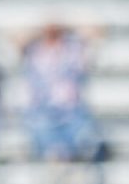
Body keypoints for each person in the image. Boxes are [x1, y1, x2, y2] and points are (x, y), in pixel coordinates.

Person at [19, 22, 102, 164]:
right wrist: (41, 28)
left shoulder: (73, 49)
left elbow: (97, 32)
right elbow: (15, 38)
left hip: (72, 114)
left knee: (88, 147)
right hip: (42, 115)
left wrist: (66, 24)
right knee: (51, 157)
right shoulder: (35, 50)